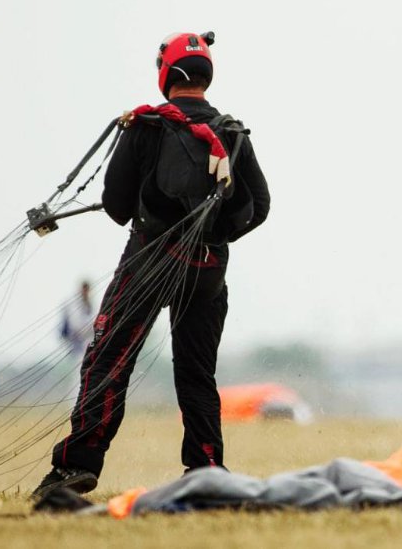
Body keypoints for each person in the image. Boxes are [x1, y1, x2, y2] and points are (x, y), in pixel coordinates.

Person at [33, 32, 270, 499]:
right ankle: (205, 471)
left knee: (109, 359)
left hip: (147, 260)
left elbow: (117, 206)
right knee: (197, 373)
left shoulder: (146, 127)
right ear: (207, 76)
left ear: (166, 74)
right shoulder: (232, 132)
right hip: (207, 269)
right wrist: (215, 238)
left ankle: (75, 467)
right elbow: (258, 204)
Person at [59, 280, 96, 360]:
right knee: (80, 360)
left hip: (83, 338)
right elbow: (76, 323)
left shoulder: (88, 302)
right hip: (75, 338)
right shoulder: (74, 303)